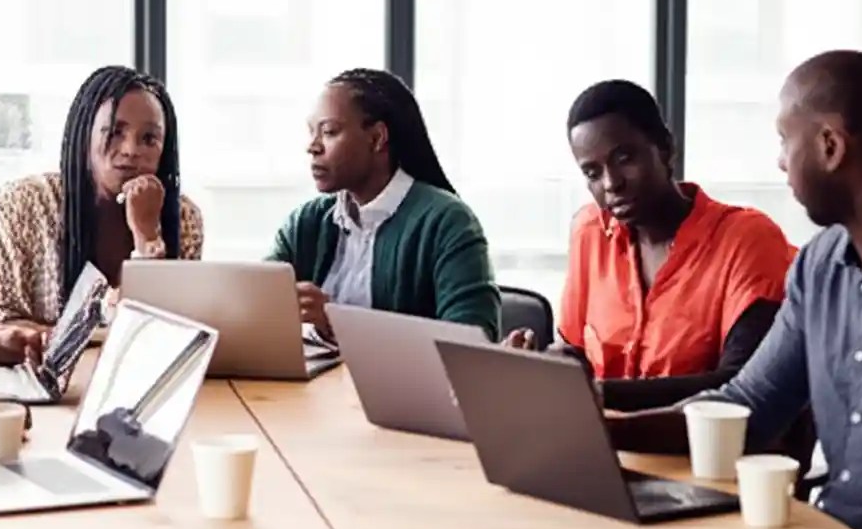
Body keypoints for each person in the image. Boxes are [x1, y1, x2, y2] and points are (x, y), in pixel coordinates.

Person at [608, 51, 862, 529]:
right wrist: (607, 431)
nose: (779, 162)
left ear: (830, 146)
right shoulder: (819, 266)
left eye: (783, 139)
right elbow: (747, 405)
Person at [504, 80, 795, 411]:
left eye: (624, 158)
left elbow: (741, 383)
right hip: (600, 438)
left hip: (692, 442)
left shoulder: (746, 239)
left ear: (666, 149)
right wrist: (540, 367)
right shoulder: (590, 232)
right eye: (592, 173)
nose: (611, 183)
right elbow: (576, 357)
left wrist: (598, 394)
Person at [0, 66, 204, 363]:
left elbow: (167, 334)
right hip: (30, 380)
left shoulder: (184, 218)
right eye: (115, 132)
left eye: (149, 139)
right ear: (85, 137)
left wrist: (147, 238)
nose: (131, 150)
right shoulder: (21, 205)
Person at [266, 68, 500, 340]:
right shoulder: (306, 222)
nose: (313, 147)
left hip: (407, 372)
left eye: (329, 132)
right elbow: (257, 302)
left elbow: (471, 343)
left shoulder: (448, 222)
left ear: (377, 138)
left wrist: (337, 322)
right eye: (312, 132)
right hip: (309, 370)